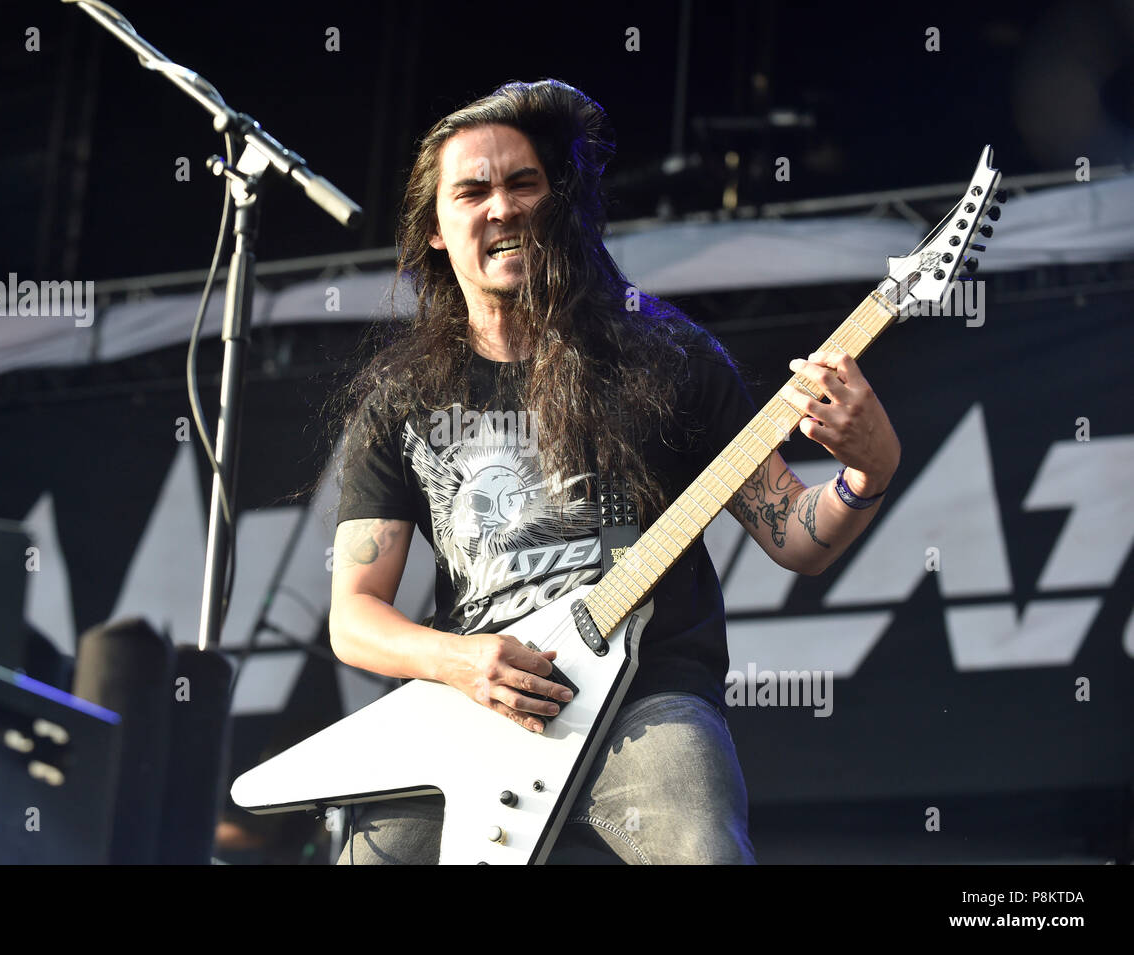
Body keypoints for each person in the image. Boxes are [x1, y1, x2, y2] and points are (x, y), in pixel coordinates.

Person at [325, 79, 900, 864]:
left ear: (558, 202)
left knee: (706, 853)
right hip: (483, 706)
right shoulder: (402, 400)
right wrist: (461, 660)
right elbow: (355, 615)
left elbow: (796, 536)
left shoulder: (665, 355)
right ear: (434, 228)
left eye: (525, 183)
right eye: (473, 191)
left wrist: (869, 470)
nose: (503, 207)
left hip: (650, 699)